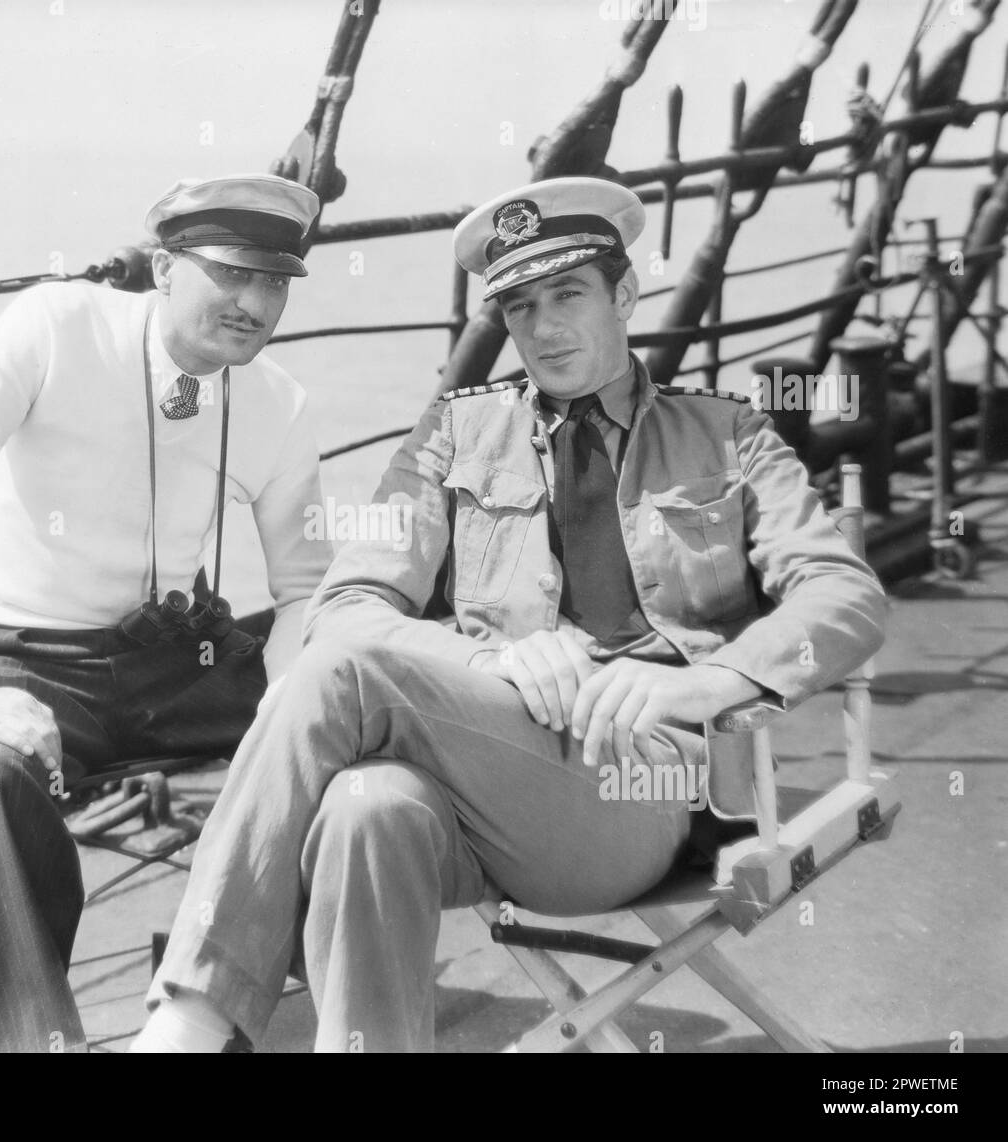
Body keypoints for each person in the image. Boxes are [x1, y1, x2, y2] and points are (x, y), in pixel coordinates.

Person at [133, 176, 887, 1053]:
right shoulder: (454, 434)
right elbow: (346, 606)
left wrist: (710, 684)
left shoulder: (727, 434)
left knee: (340, 680)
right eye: (521, 306)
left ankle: (189, 1022)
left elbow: (844, 592)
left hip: (651, 782)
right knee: (368, 806)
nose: (544, 327)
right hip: (486, 781)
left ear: (627, 293)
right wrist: (487, 662)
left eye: (568, 293)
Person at [0, 173, 333, 1052]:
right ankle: (30, 1038)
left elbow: (305, 587)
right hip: (22, 658)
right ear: (163, 268)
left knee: (335, 726)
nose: (252, 301)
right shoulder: (56, 329)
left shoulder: (277, 401)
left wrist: (287, 706)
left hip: (178, 661)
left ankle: (217, 993)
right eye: (230, 274)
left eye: (273, 282)